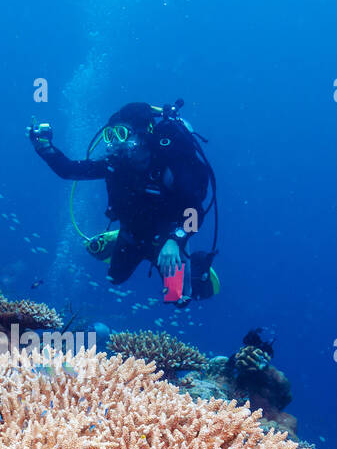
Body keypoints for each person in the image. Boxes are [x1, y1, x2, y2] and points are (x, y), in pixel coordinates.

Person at [28, 100, 218, 306]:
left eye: (121, 133)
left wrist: (175, 241)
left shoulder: (172, 165)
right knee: (115, 278)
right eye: (110, 135)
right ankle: (122, 239)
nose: (114, 142)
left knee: (179, 299)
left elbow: (195, 211)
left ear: (142, 133)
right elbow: (70, 170)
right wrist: (44, 148)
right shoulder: (116, 164)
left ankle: (193, 262)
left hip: (169, 236)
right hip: (133, 232)